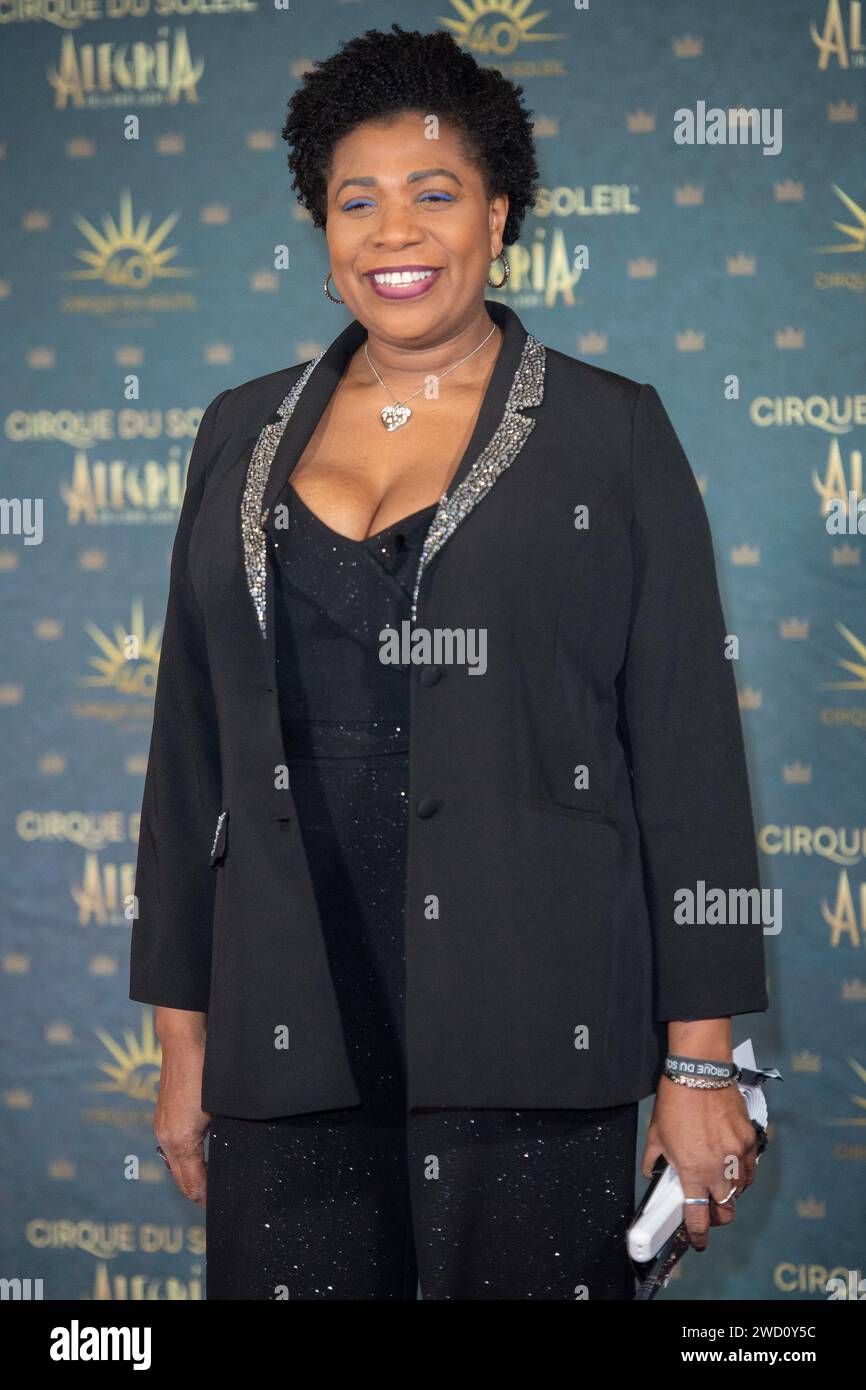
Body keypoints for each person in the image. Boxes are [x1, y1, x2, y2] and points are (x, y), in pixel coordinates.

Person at [129, 24, 769, 1301]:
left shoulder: (610, 431)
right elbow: (186, 753)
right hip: (287, 1031)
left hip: (533, 1027)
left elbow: (690, 765)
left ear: (499, 216)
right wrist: (185, 1040)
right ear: (320, 230)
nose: (392, 231)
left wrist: (698, 1067)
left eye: (433, 193)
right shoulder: (237, 430)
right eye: (354, 200)